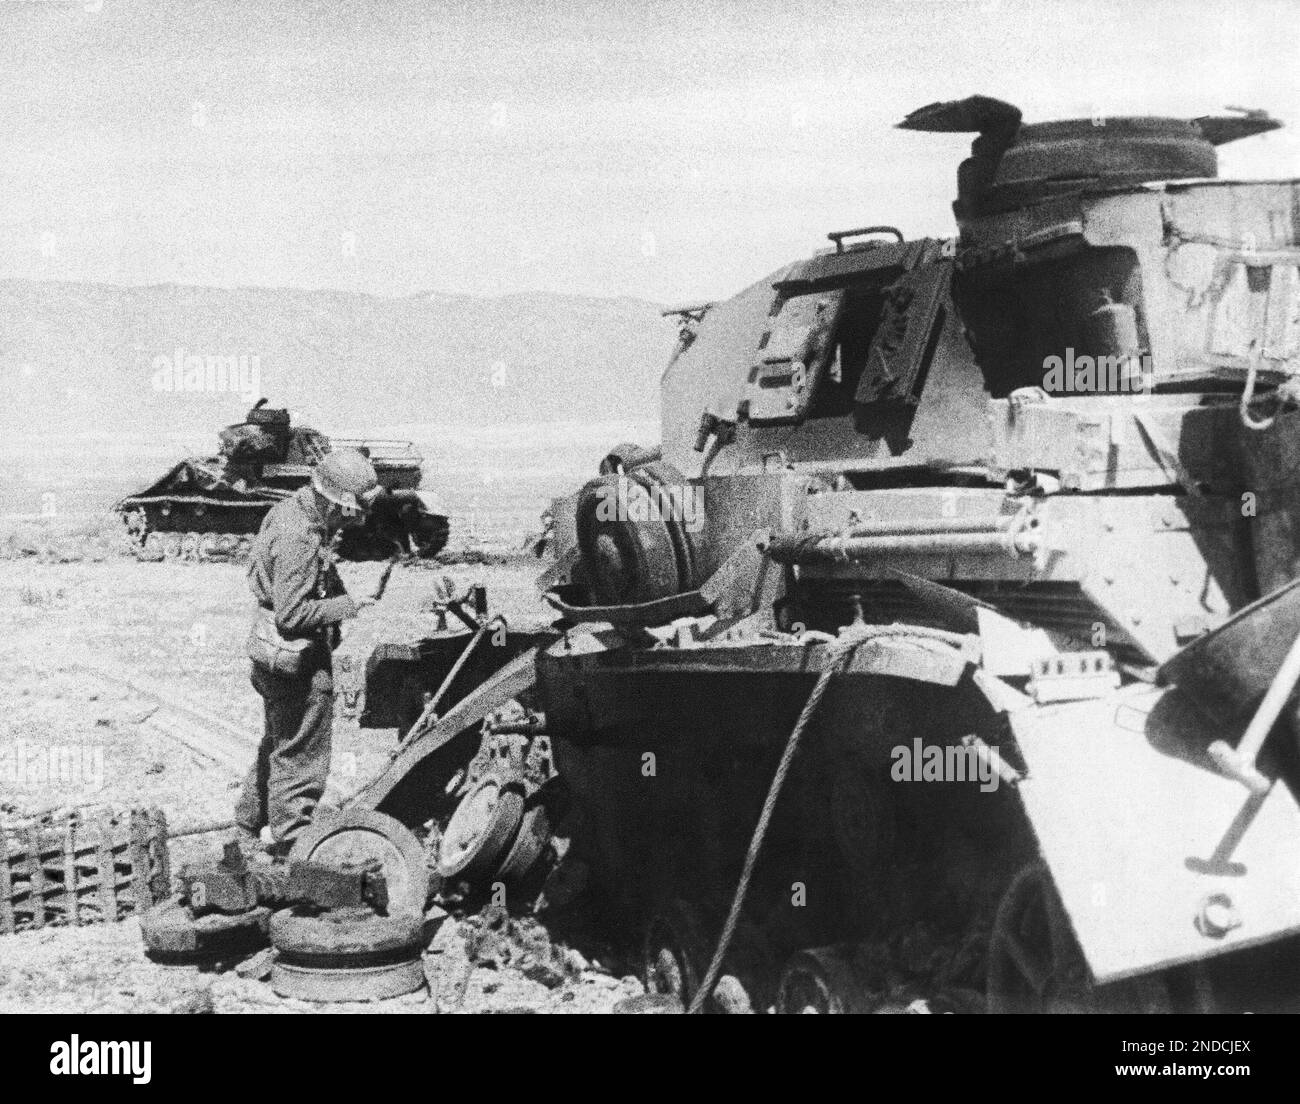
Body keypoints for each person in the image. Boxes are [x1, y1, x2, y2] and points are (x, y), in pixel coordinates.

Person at [234, 449, 381, 857]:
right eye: (350, 512)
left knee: (279, 742)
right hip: (293, 661)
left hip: (272, 657)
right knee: (301, 753)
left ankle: (247, 826)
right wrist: (352, 603)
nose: (355, 521)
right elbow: (293, 615)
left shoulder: (291, 512)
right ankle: (295, 842)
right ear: (333, 501)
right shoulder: (299, 537)